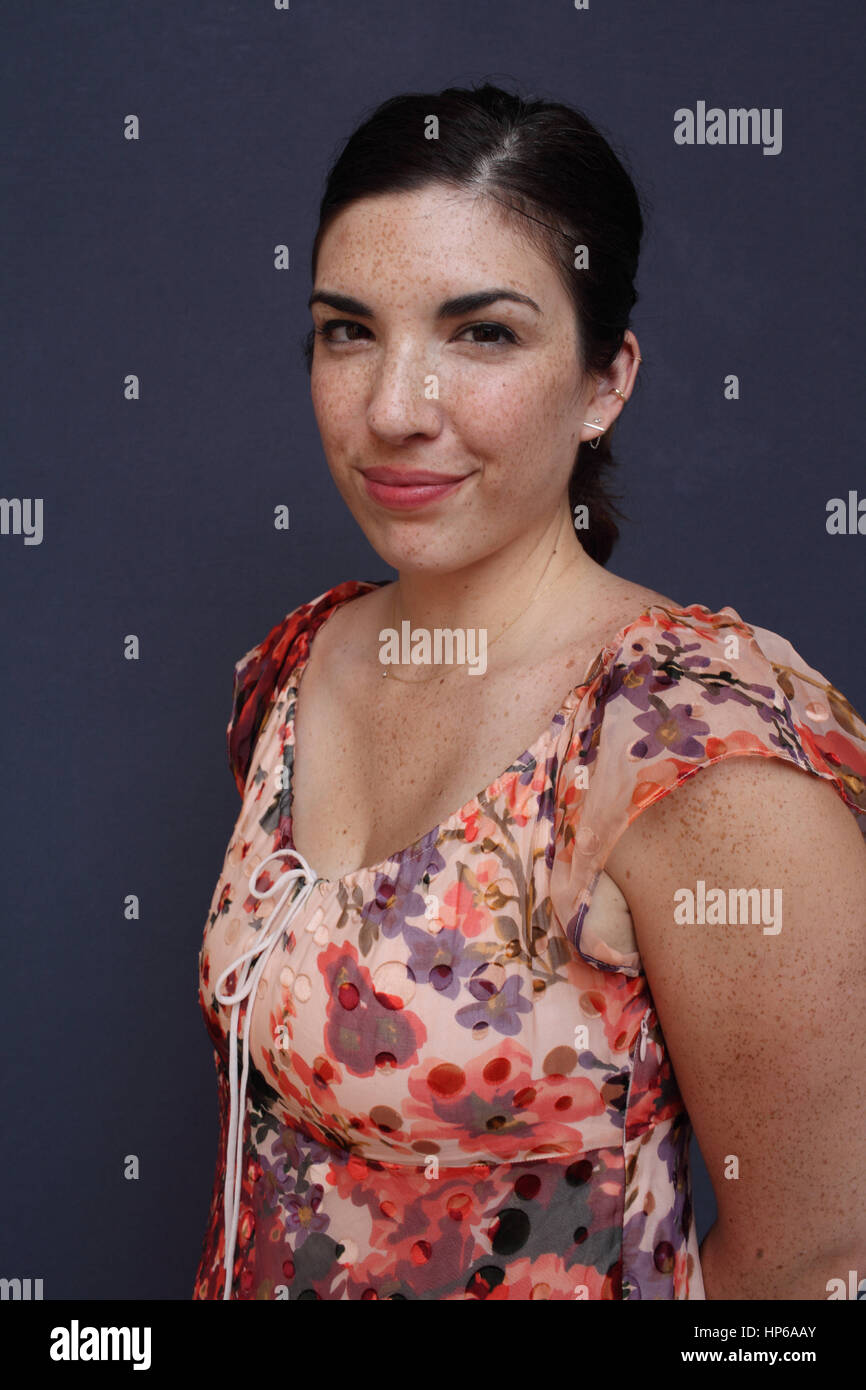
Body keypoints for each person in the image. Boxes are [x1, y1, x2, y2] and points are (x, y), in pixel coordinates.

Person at [194, 84, 866, 1301]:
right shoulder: (292, 670)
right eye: (348, 330)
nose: (394, 411)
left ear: (605, 381)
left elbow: (822, 1256)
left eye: (481, 333)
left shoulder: (688, 740)